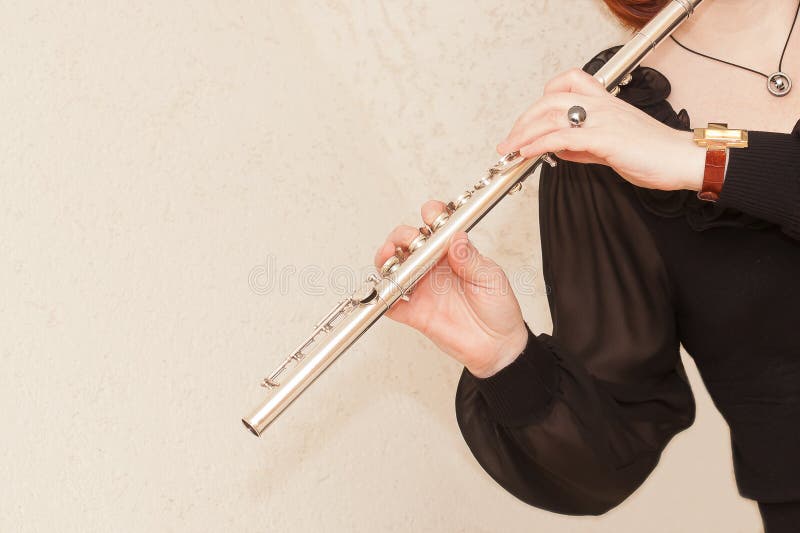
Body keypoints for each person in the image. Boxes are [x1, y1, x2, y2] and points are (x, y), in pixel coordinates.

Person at [373, 0, 800, 531]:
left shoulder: (645, 136)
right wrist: (504, 356)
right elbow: (610, 453)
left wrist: (699, 158)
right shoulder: (608, 114)